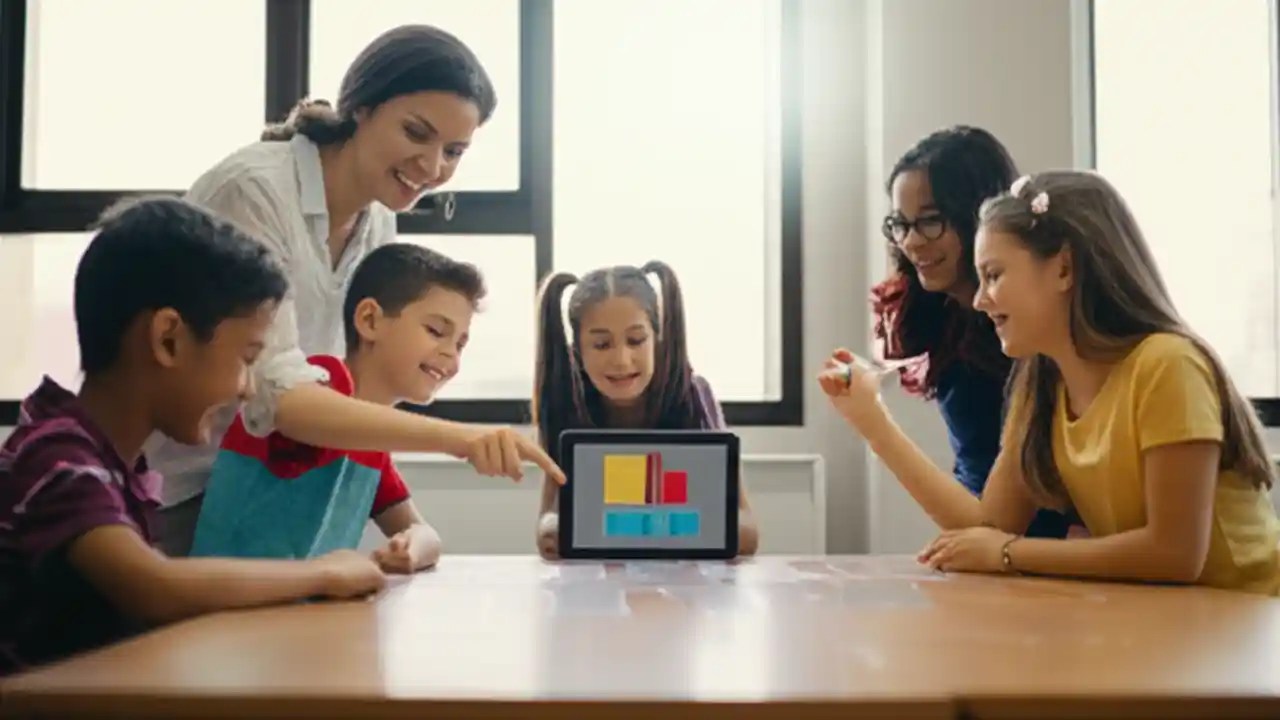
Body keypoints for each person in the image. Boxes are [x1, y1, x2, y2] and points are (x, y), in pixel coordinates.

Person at [148, 24, 563, 556]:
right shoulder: (253, 192)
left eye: (454, 151)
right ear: (362, 108)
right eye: (416, 134)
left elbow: (342, 390)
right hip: (173, 497)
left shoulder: (377, 222)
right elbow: (280, 400)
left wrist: (415, 527)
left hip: (271, 491)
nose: (433, 168)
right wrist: (459, 440)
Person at [821, 171, 1280, 594]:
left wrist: (1008, 555)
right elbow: (988, 523)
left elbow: (1175, 555)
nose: (979, 300)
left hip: (1253, 622)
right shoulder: (1041, 382)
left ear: (1064, 269)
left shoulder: (1167, 365)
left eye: (994, 275)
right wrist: (872, 421)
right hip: (1175, 625)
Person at [0, 198, 386, 675]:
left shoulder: (114, 465)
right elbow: (153, 587)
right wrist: (323, 572)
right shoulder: (58, 460)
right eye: (246, 358)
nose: (248, 389)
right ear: (169, 340)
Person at [191, 244, 484, 571]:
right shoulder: (323, 386)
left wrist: (411, 546)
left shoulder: (372, 436)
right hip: (231, 608)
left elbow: (424, 532)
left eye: (460, 344)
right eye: (436, 331)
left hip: (292, 611)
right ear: (370, 320)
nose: (451, 356)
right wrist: (461, 439)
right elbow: (306, 421)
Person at [871, 126, 1073, 538]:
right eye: (900, 224)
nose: (911, 242)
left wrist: (871, 419)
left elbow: (997, 520)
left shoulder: (1033, 338)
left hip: (1037, 548)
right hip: (989, 538)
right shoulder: (942, 314)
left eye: (930, 221)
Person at [531, 262, 760, 558]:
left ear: (658, 338)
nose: (622, 360)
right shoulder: (566, 403)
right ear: (578, 350)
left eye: (636, 340)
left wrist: (662, 529)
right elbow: (548, 516)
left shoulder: (693, 395)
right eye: (601, 344)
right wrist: (550, 530)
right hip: (595, 589)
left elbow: (747, 528)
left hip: (684, 586)